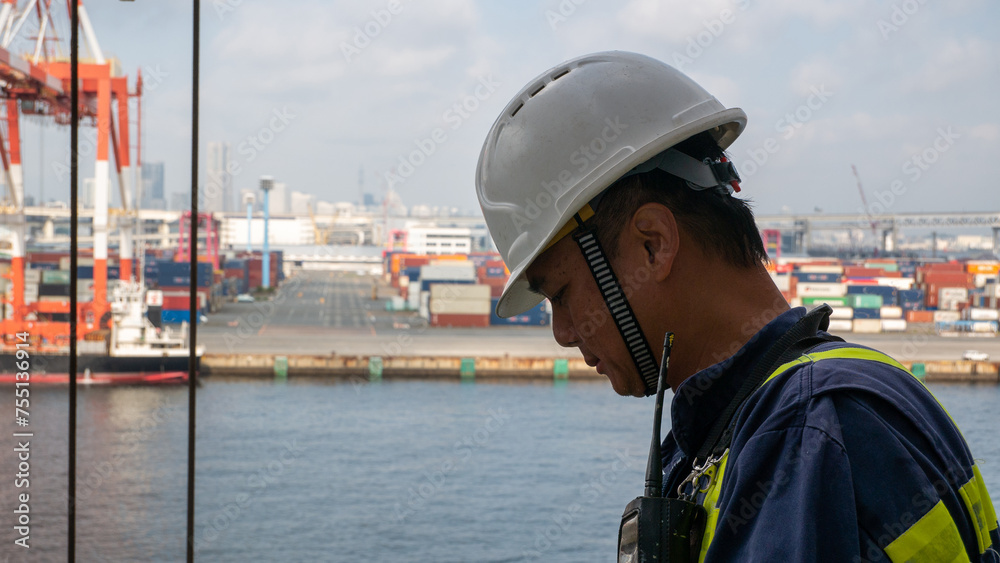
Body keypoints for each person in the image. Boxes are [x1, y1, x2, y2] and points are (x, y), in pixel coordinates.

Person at [475, 51, 999, 561]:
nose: (563, 332)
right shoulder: (729, 431)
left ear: (652, 244)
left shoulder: (809, 431)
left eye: (560, 295)